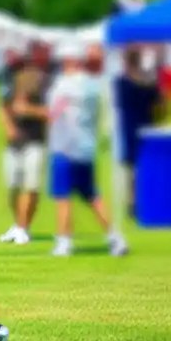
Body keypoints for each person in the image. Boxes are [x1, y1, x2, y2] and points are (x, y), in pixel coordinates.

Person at [46, 42, 128, 257]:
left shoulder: (63, 85)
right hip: (85, 147)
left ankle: (64, 242)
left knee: (63, 197)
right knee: (93, 196)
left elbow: (53, 113)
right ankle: (115, 238)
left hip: (64, 146)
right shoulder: (93, 85)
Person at [0, 45, 50, 244]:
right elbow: (4, 106)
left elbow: (52, 111)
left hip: (35, 139)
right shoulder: (12, 79)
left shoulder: (46, 81)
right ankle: (17, 224)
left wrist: (29, 110)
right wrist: (9, 127)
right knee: (13, 186)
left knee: (32, 185)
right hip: (14, 142)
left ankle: (23, 227)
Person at [113, 47, 161, 217]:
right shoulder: (124, 82)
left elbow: (155, 98)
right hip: (135, 126)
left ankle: (134, 202)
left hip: (140, 127)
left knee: (137, 167)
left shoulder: (125, 82)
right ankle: (134, 202)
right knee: (135, 167)